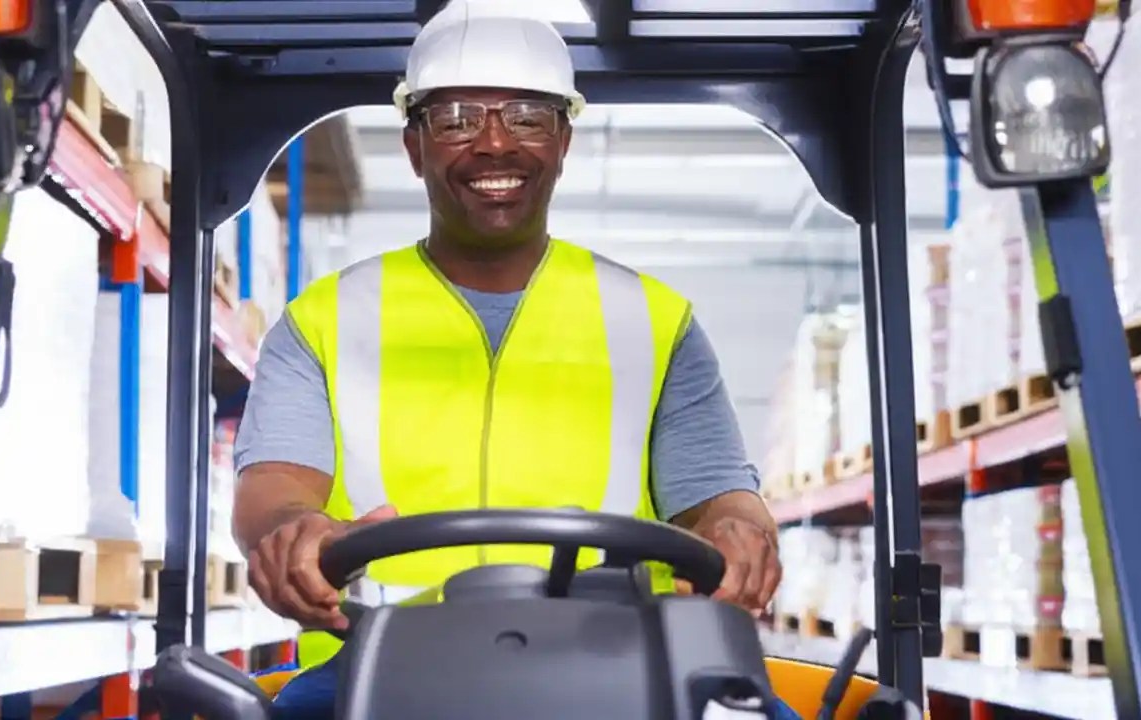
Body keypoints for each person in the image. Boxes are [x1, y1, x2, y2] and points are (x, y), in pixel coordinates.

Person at [231, 2, 790, 717]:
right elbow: (273, 491)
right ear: (414, 146)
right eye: (458, 118)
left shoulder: (656, 321)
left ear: (563, 140)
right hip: (376, 660)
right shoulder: (322, 319)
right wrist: (292, 532)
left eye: (527, 116)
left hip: (615, 656)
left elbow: (719, 494)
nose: (495, 145)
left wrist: (737, 530)